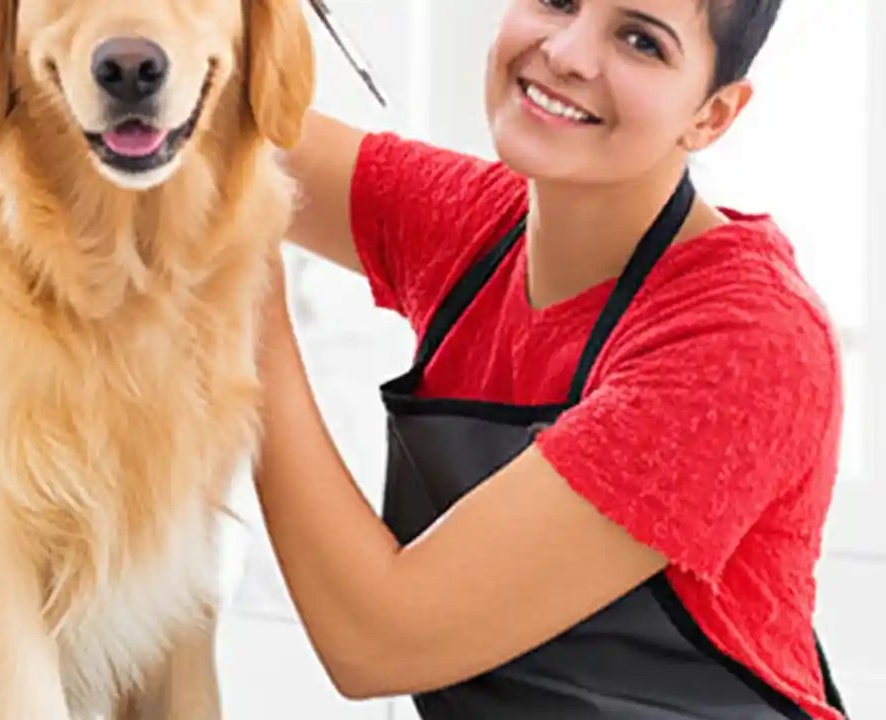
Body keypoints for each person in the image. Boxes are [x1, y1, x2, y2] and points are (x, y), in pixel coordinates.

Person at [252, 0, 849, 718]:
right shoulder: (473, 227)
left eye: (641, 41)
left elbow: (375, 640)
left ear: (711, 116)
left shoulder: (745, 342)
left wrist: (243, 303)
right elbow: (226, 126)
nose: (566, 53)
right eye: (559, 0)